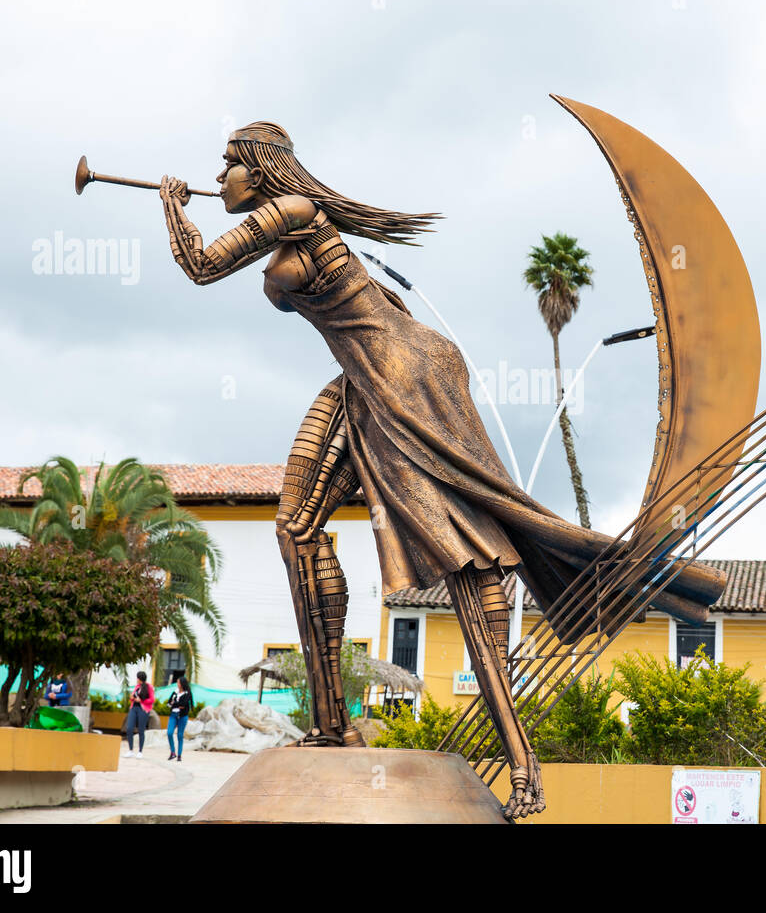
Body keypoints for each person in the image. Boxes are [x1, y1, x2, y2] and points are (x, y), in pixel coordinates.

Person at [157, 122, 726, 818]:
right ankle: (331, 725)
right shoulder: (293, 231)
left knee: (472, 563)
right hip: (360, 385)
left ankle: (524, 772)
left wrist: (170, 204)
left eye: (228, 167)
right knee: (295, 532)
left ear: (263, 170)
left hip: (402, 381)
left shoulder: (296, 211)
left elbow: (203, 266)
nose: (219, 180)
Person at [122, 671, 154, 759]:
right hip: (134, 708)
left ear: (140, 679)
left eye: (137, 678)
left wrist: (142, 701)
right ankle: (130, 750)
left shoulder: (149, 687)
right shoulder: (137, 687)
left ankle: (140, 751)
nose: (136, 680)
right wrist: (132, 698)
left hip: (143, 709)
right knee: (129, 728)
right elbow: (133, 696)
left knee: (141, 730)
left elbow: (152, 699)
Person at [166, 676, 192, 762]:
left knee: (180, 735)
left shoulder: (187, 693)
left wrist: (175, 703)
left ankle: (179, 754)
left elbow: (184, 704)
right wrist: (177, 704)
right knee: (169, 733)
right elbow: (169, 703)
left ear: (182, 684)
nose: (177, 684)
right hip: (173, 715)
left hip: (182, 716)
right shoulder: (175, 692)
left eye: (178, 682)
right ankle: (173, 752)